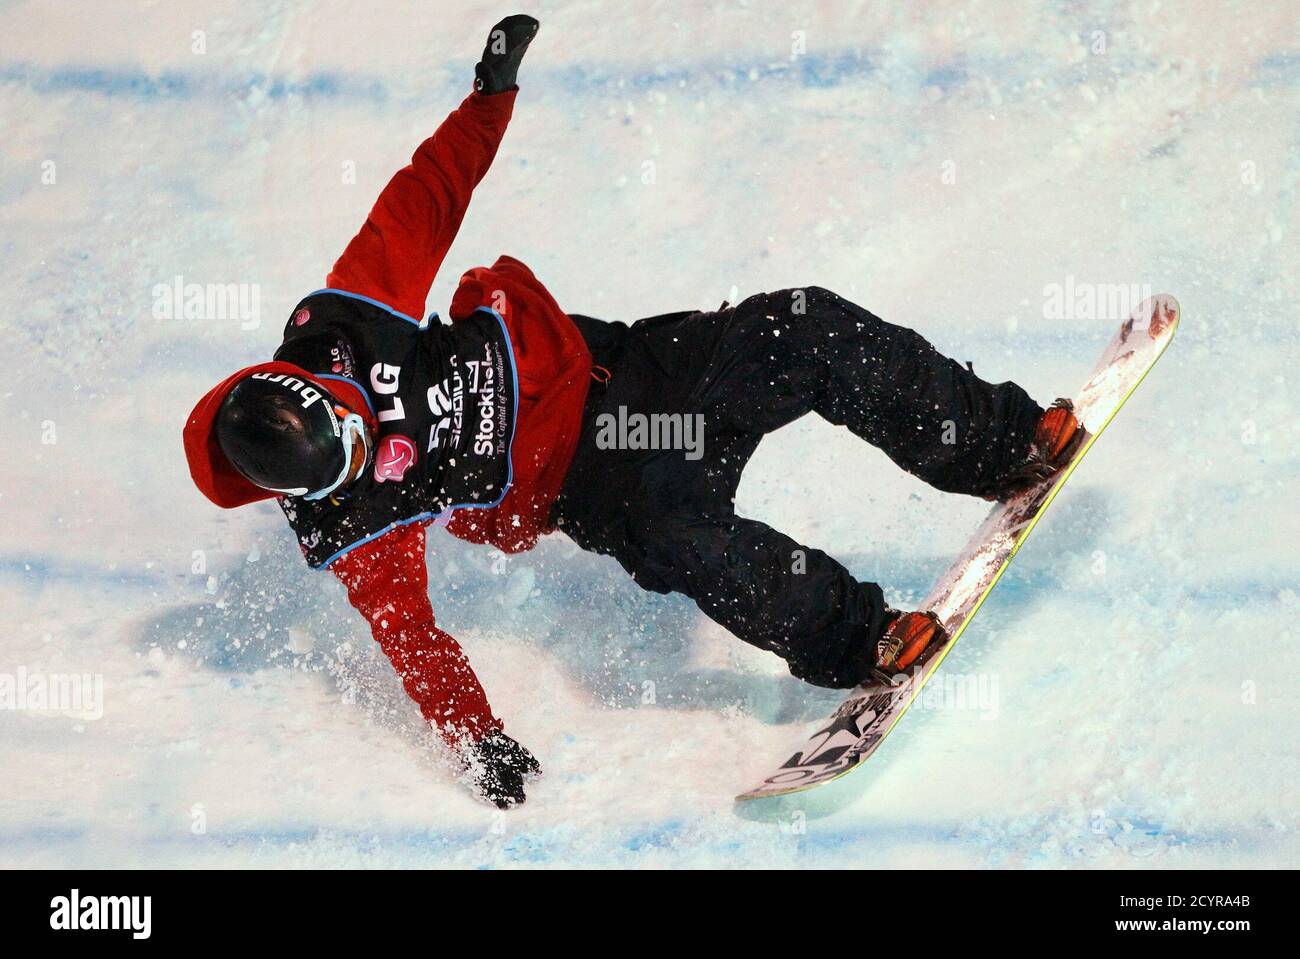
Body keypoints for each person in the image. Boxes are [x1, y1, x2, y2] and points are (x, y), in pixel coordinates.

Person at [183, 15, 1082, 808]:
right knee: (687, 537)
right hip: (596, 478)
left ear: (321, 389)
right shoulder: (353, 523)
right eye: (344, 460)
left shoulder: (349, 321)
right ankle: (866, 636)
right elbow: (410, 638)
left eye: (350, 426)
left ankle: (999, 443)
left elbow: (425, 198)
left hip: (630, 370)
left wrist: (488, 98)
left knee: (803, 328)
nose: (364, 446)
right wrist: (474, 736)